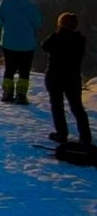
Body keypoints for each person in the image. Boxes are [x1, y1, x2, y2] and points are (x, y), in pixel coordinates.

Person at [42, 12, 91, 146]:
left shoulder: (56, 37)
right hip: (73, 77)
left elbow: (44, 46)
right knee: (77, 107)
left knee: (57, 106)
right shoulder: (80, 39)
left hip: (55, 76)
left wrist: (59, 32)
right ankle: (86, 136)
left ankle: (61, 134)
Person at [0, 0, 41, 104]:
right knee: (24, 70)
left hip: (8, 42)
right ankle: (21, 94)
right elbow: (37, 22)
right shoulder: (31, 6)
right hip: (27, 44)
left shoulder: (4, 4)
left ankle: (7, 93)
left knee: (9, 69)